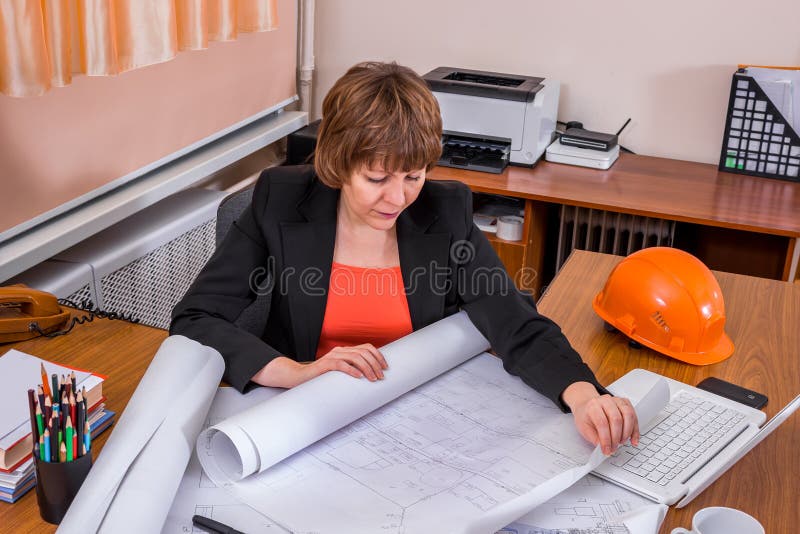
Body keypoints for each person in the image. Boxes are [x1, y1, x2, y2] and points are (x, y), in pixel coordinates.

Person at [170, 61, 638, 456]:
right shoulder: (280, 199)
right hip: (309, 417)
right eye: (377, 179)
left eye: (413, 176)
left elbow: (512, 318)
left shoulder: (445, 209)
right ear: (338, 163)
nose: (398, 199)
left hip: (418, 420)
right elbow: (196, 317)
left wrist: (582, 393)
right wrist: (297, 372)